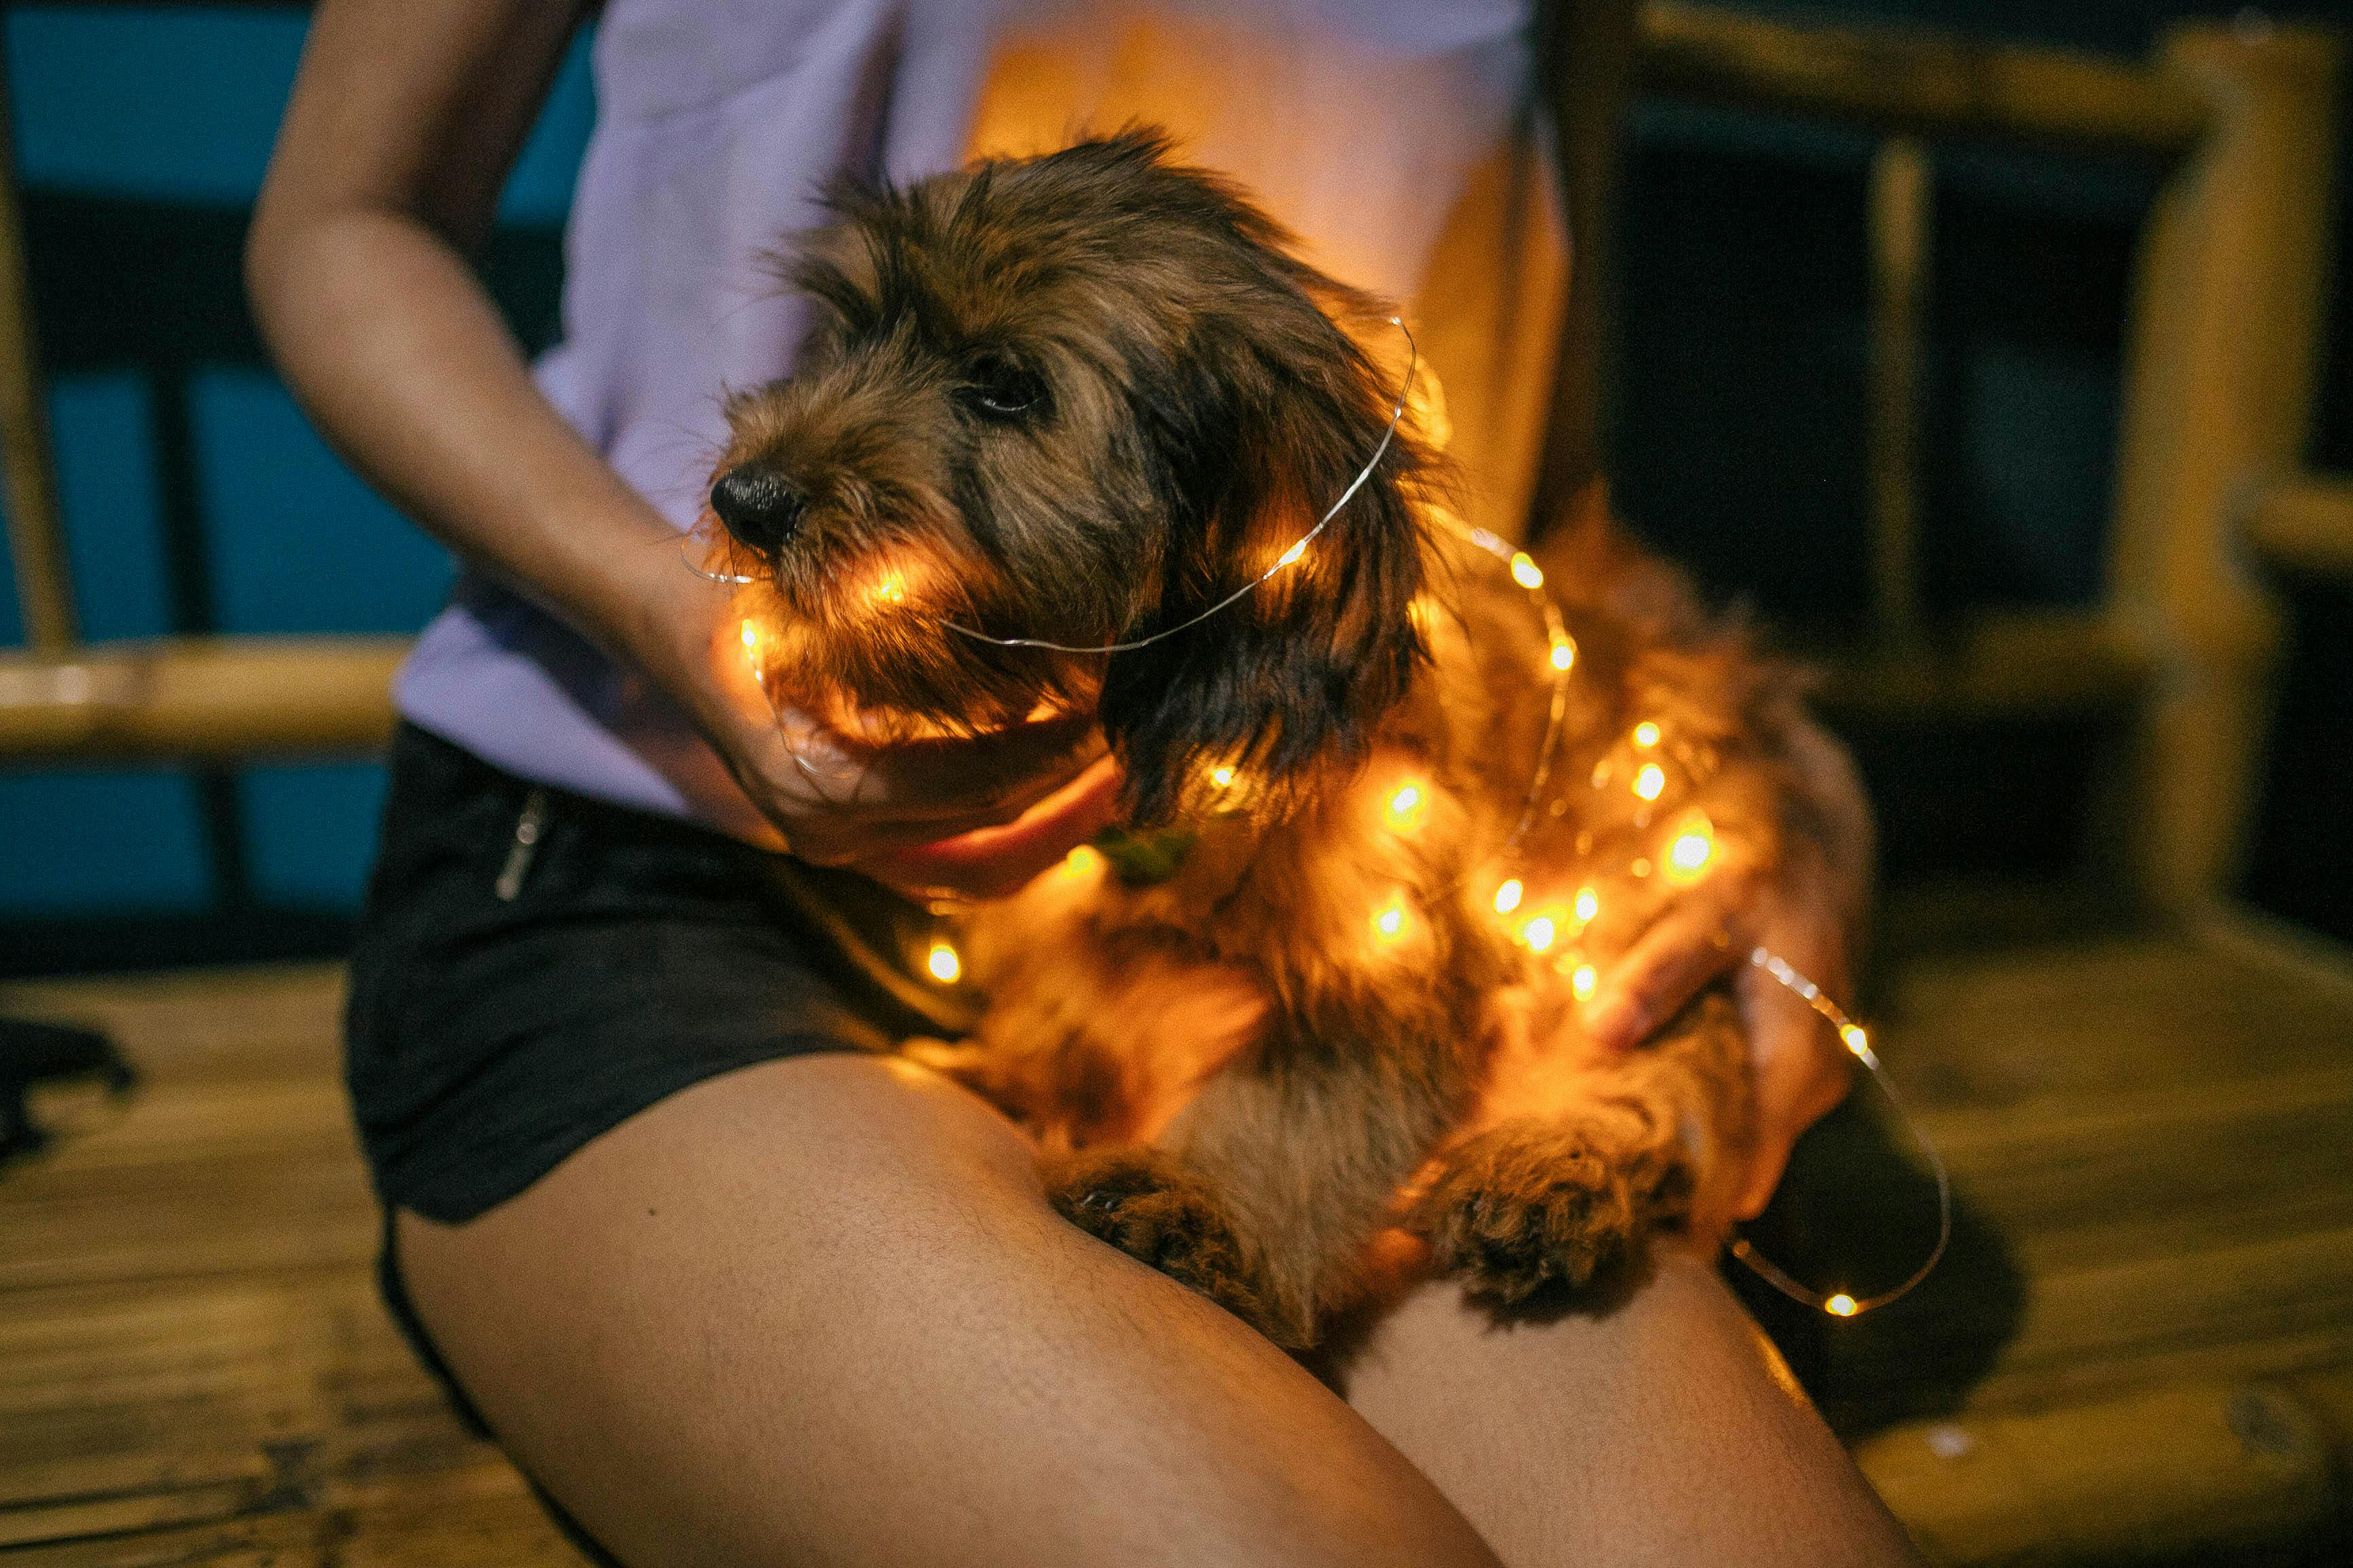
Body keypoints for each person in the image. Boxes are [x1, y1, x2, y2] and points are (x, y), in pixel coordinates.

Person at [247, 1, 1914, 1563]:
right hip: (659, 873)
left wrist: (1789, 802)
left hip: (1307, 939)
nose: (779, 452)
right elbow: (342, 224)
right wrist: (664, 610)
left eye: (999, 390)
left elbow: (1543, 465)